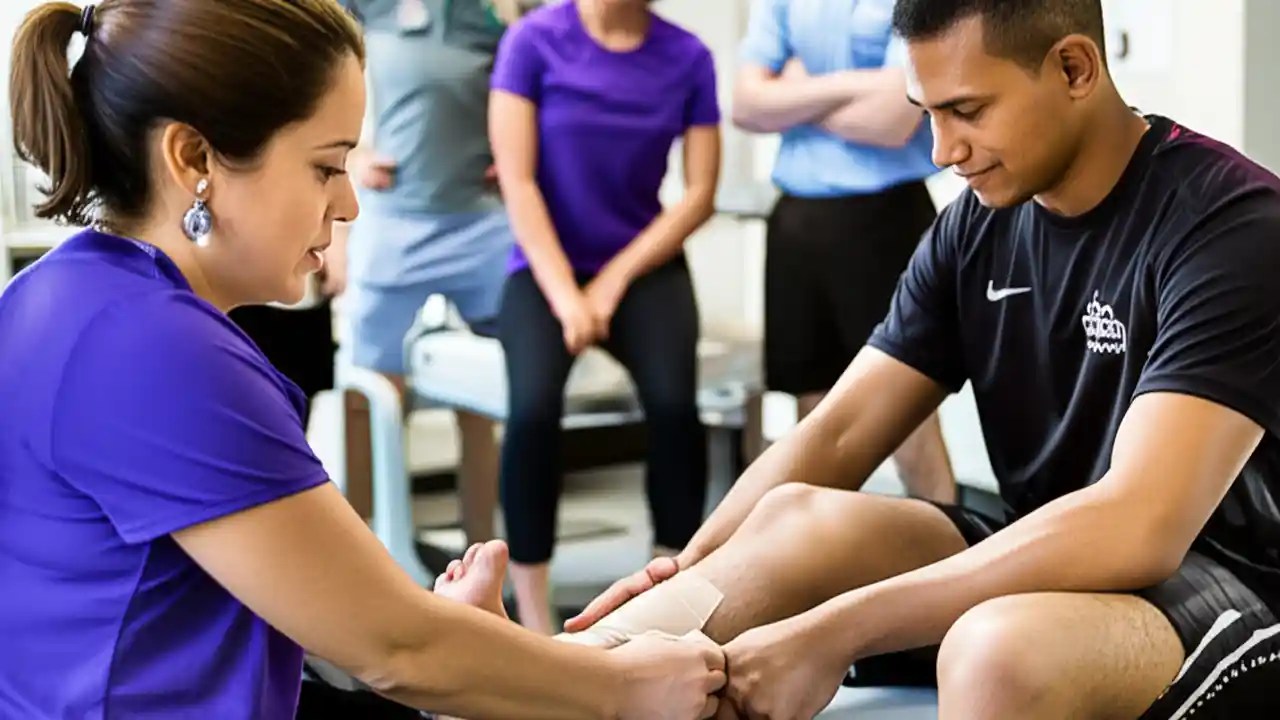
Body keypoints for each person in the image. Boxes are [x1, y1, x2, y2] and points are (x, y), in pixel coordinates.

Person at [554, 0, 1280, 717]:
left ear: (1074, 67)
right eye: (927, 112)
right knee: (796, 516)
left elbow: (1138, 526)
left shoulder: (1233, 224)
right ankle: (530, 682)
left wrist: (835, 630)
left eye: (967, 110)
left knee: (992, 649)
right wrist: (685, 569)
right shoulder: (973, 228)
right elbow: (835, 436)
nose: (942, 150)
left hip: (1230, 586)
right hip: (1054, 552)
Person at [0, 2, 726, 718]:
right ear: (194, 159)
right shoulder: (155, 350)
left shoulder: (64, 295)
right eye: (326, 167)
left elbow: (379, 634)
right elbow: (396, 652)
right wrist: (621, 689)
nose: (348, 205)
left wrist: (451, 647)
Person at [488, 0, 723, 634]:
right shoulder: (534, 42)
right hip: (543, 268)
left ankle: (662, 595)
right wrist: (568, 297)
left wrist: (615, 280)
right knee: (533, 410)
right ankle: (533, 613)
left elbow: (700, 193)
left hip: (643, 265)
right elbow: (518, 179)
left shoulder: (689, 57)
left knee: (676, 407)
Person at [734, 0, 956, 504]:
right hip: (798, 220)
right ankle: (808, 567)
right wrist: (855, 86)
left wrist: (791, 93)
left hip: (887, 220)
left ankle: (957, 560)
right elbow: (745, 104)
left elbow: (894, 117)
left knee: (907, 418)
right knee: (812, 418)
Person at [335, 0, 516, 541]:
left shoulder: (499, 12)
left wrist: (520, 153)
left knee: (484, 392)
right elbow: (309, 78)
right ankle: (362, 541)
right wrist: (350, 154)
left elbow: (538, 82)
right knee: (371, 395)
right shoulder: (367, 8)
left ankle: (484, 546)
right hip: (395, 221)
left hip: (481, 223)